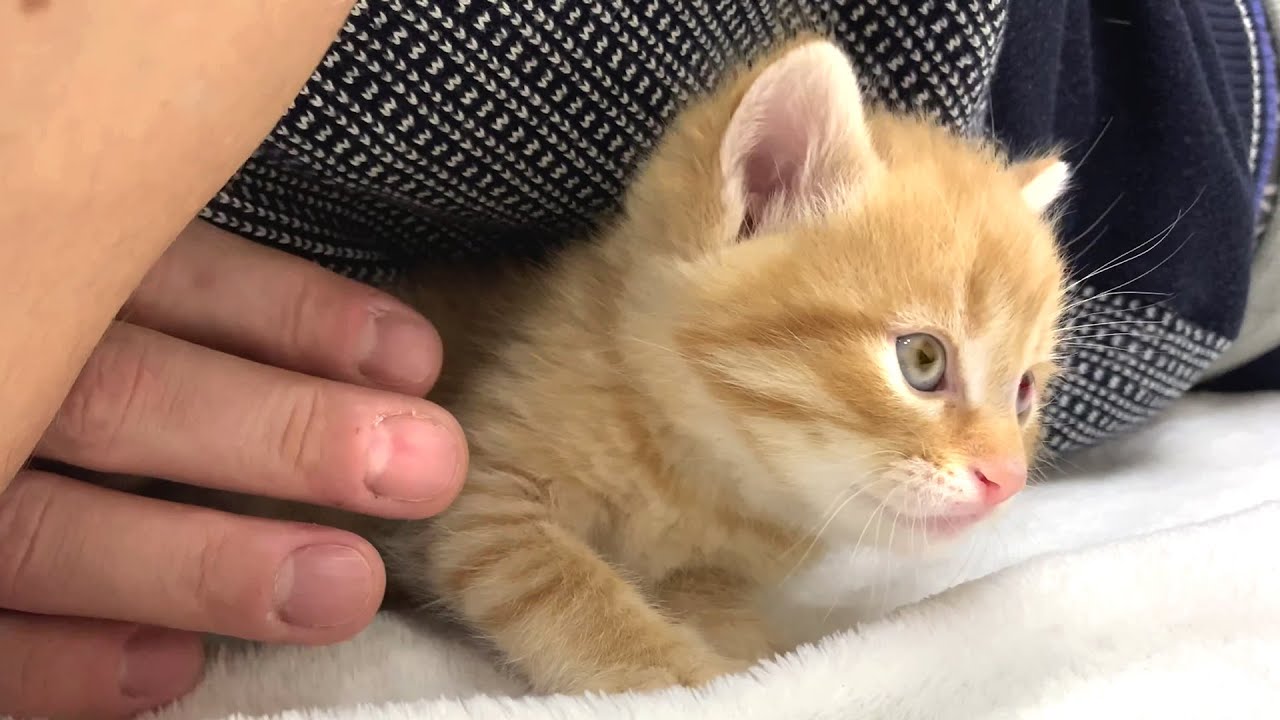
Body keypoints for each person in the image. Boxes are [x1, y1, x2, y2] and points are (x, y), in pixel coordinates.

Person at [3, 1, 1278, 717]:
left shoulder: (789, 469)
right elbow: (485, 524)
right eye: (924, 364)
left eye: (1018, 394)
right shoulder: (609, 360)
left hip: (1201, 132)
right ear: (760, 187)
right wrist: (652, 669)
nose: (1003, 463)